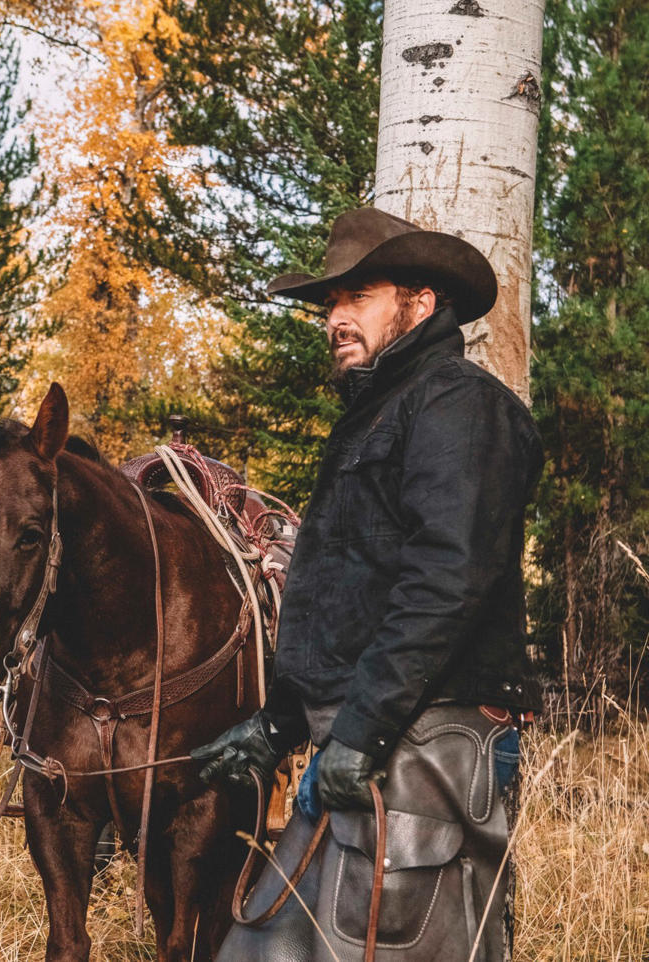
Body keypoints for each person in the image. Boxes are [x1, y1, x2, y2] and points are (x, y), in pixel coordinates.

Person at [191, 206, 543, 961]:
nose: (334, 318)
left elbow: (447, 580)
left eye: (357, 297)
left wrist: (359, 731)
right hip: (358, 740)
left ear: (420, 303)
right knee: (264, 951)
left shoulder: (459, 403)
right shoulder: (376, 416)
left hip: (426, 744)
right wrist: (280, 724)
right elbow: (342, 597)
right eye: (328, 304)